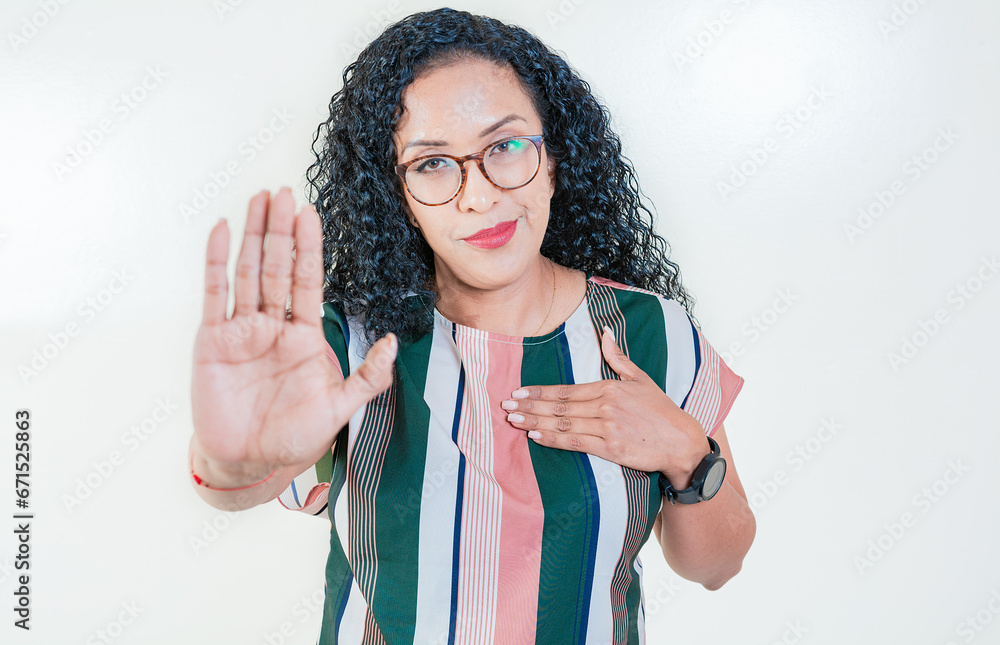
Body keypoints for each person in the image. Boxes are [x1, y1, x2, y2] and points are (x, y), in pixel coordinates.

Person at [188, 8, 755, 644]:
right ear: (393, 191)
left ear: (556, 154)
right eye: (432, 163)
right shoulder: (344, 346)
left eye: (506, 147)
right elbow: (241, 484)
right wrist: (232, 454)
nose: (478, 195)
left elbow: (716, 566)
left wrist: (685, 452)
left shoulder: (652, 335)